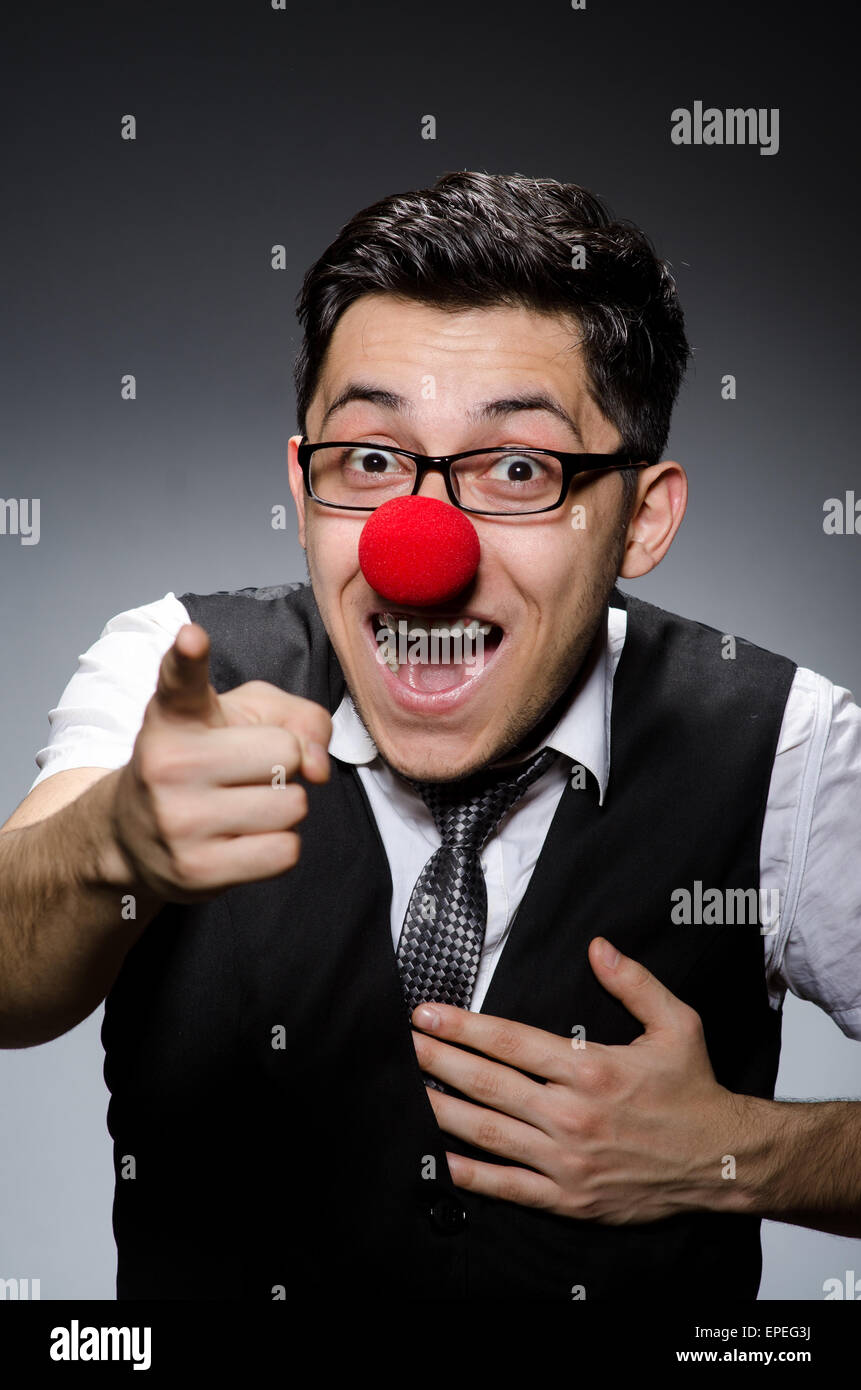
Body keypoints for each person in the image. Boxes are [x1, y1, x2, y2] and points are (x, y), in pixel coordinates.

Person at [2, 170, 860, 1301]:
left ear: (642, 517)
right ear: (303, 489)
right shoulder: (172, 668)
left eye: (518, 468)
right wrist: (112, 842)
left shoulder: (787, 745)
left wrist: (744, 1150)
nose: (424, 545)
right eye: (370, 459)